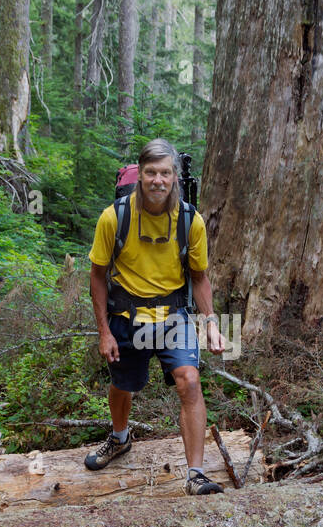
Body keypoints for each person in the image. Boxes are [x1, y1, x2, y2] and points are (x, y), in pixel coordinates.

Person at [85, 138, 227, 495]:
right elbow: (97, 276)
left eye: (165, 173)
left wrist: (211, 322)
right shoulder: (114, 217)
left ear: (175, 177)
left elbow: (200, 277)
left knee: (190, 382)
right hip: (126, 315)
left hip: (173, 316)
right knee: (123, 384)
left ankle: (195, 474)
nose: (158, 181)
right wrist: (103, 331)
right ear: (140, 175)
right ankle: (120, 439)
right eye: (151, 172)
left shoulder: (190, 221)